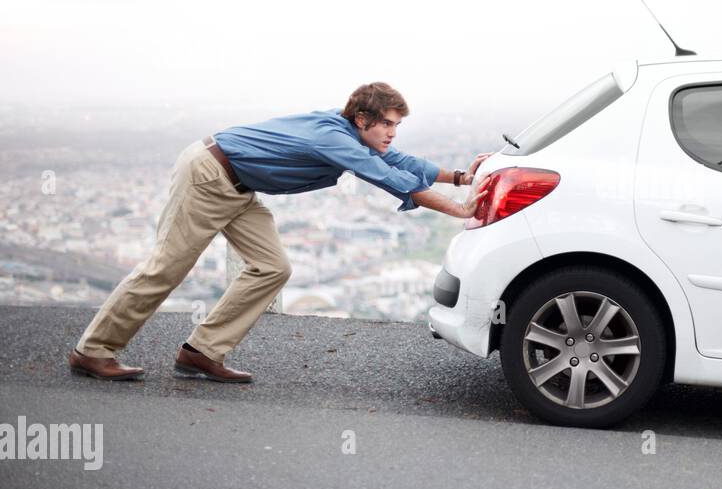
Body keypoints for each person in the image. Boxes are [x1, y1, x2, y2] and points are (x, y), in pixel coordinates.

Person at [67, 82, 491, 383]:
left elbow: (400, 160)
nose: (392, 133)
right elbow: (390, 177)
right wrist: (459, 209)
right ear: (363, 118)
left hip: (238, 186)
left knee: (272, 267)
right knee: (167, 267)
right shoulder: (336, 139)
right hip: (209, 176)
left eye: (397, 126)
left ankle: (201, 353)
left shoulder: (353, 132)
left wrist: (458, 177)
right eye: (387, 125)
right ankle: (94, 351)